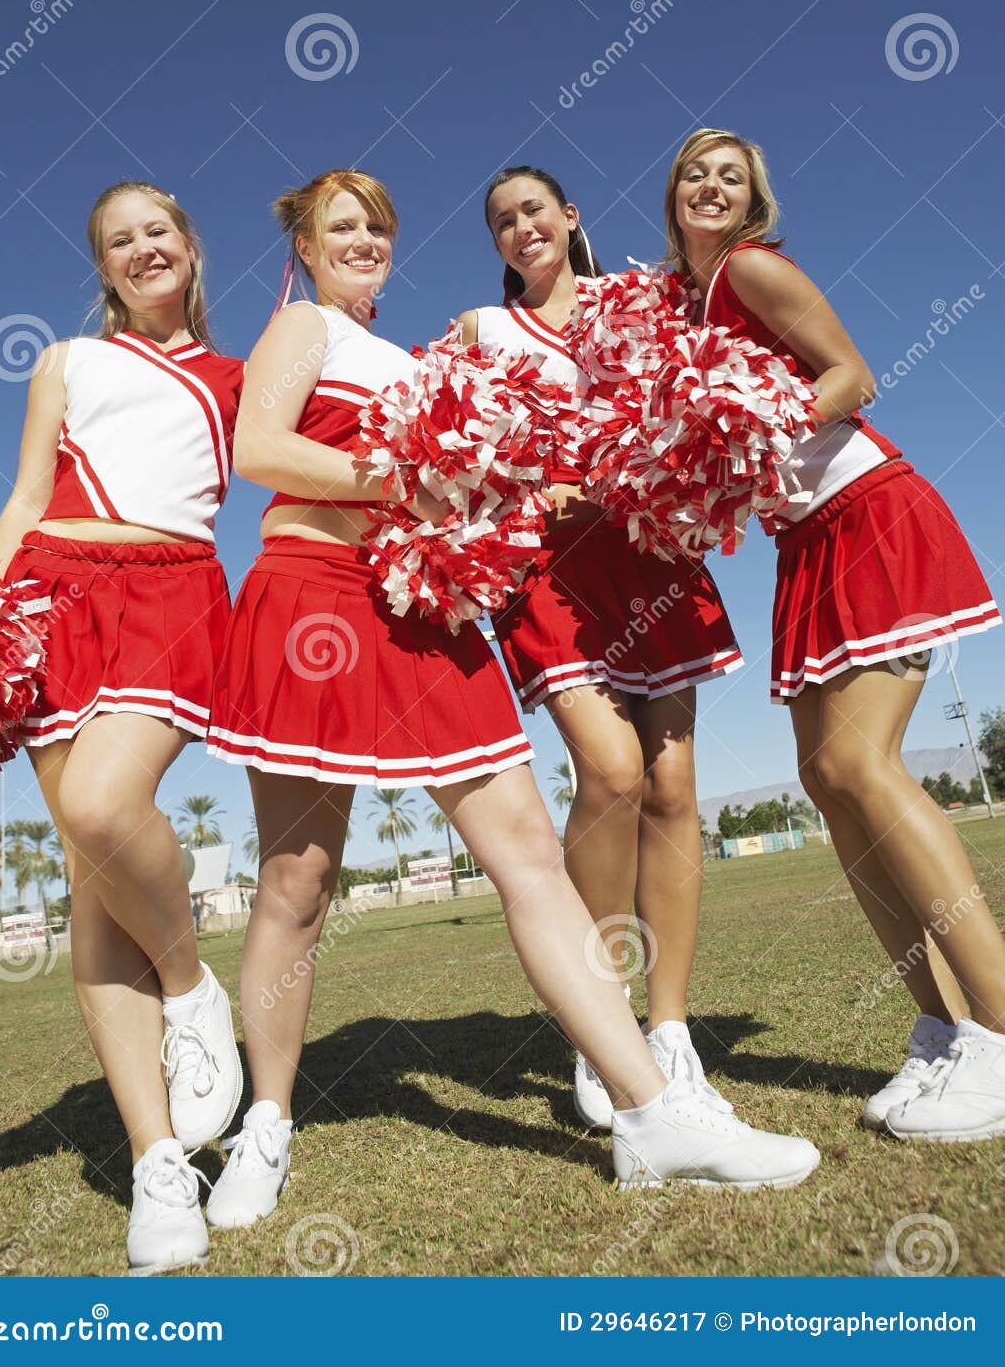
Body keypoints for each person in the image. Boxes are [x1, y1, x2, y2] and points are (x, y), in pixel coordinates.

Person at [204, 168, 819, 1226]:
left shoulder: (411, 357)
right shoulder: (302, 327)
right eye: (339, 226)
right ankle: (265, 1123)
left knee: (532, 856)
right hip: (315, 606)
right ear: (302, 248)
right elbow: (257, 448)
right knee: (297, 883)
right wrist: (410, 477)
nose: (362, 240)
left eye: (377, 225)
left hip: (423, 614)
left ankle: (648, 1110)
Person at [668, 126, 1005, 1141]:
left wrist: (741, 441)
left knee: (863, 763)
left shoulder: (750, 270)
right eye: (696, 172)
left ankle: (997, 1029)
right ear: (672, 192)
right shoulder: (685, 312)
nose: (714, 185)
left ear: (753, 201)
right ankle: (940, 1030)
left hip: (870, 513)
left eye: (734, 175)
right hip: (806, 542)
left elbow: (852, 377)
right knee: (825, 779)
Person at [0, 182, 244, 1274]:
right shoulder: (64, 359)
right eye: (119, 239)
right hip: (52, 593)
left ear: (190, 245)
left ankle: (188, 982)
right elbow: (25, 495)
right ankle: (158, 1163)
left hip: (174, 587)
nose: (143, 248)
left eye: (158, 231)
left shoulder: (242, 378)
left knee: (102, 803)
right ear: (104, 267)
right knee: (90, 880)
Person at [455, 168, 742, 1131]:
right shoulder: (479, 332)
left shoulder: (642, 299)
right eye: (501, 221)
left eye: (534, 209)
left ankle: (668, 1031)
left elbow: (708, 384)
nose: (520, 227)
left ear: (571, 216)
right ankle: (600, 1019)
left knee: (672, 791)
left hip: (653, 552)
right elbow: (453, 448)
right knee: (612, 773)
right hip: (550, 572)